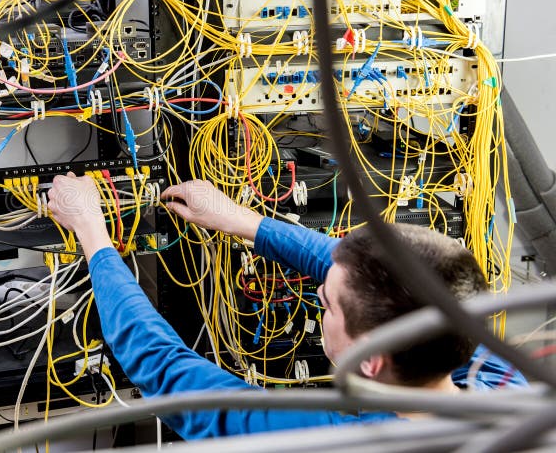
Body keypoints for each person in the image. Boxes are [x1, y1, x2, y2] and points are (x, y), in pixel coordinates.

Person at [46, 174, 528, 439]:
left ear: (372, 360)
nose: (317, 295)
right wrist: (244, 222)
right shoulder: (498, 375)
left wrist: (92, 233)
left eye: (329, 307)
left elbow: (168, 371)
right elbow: (341, 263)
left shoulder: (320, 438)